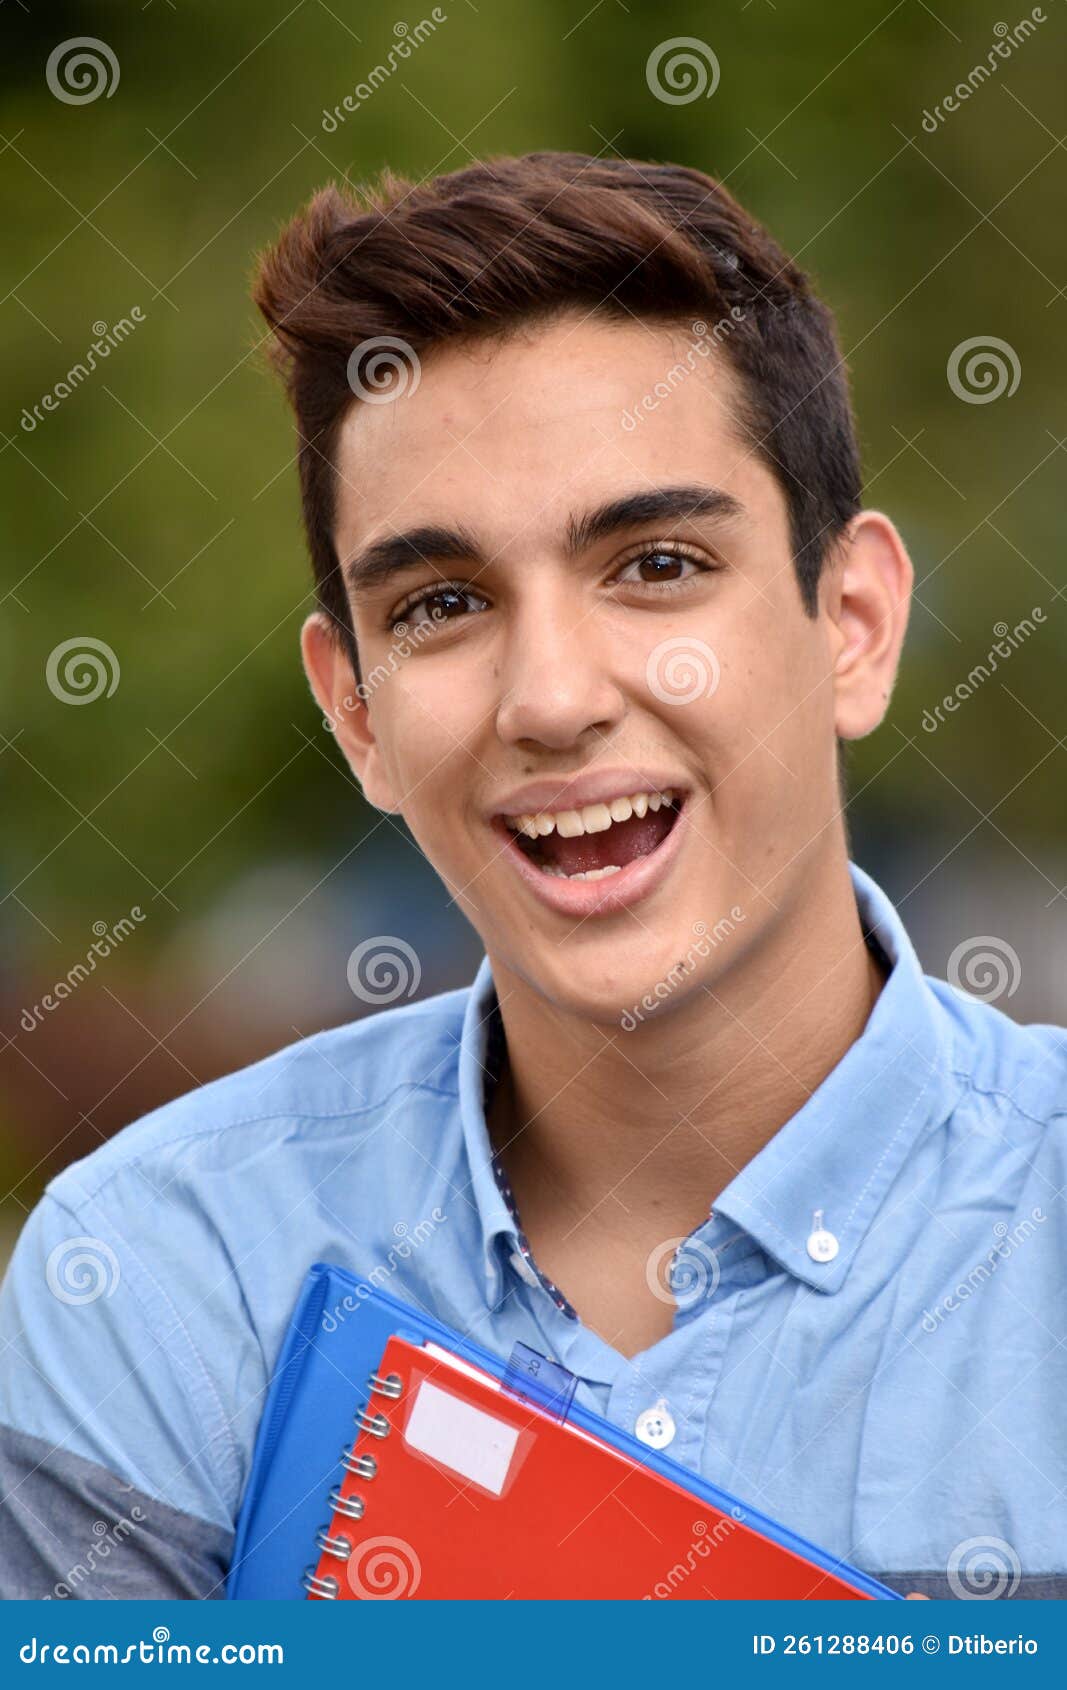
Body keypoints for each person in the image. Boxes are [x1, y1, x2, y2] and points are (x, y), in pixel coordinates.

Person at [1, 152, 1062, 1601]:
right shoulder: (156, 1281)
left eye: (657, 564)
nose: (551, 698)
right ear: (356, 711)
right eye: (441, 604)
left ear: (855, 624)